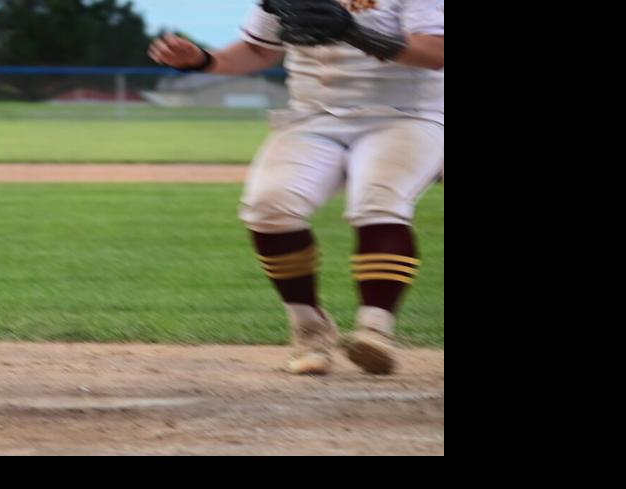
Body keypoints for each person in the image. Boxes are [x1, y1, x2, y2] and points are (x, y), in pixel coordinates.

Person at [149, 0, 444, 376]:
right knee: (269, 207)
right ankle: (309, 329)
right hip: (314, 115)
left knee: (380, 201)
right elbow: (258, 51)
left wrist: (354, 32)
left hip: (408, 115)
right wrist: (201, 60)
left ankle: (375, 330)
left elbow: (436, 52)